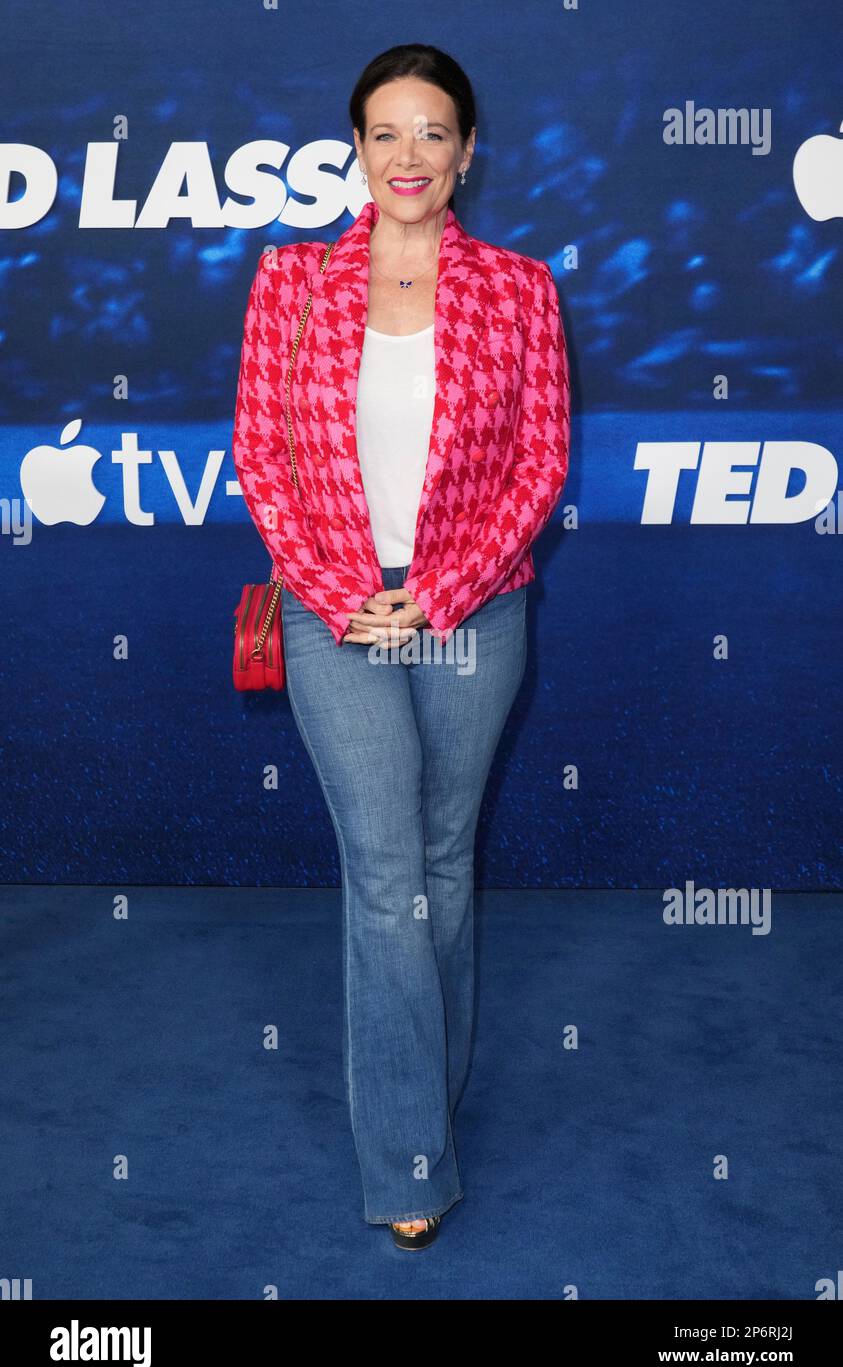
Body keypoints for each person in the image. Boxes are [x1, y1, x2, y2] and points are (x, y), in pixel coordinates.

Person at [232, 42, 570, 1250]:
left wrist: (439, 591)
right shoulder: (292, 285)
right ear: (357, 149)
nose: (409, 155)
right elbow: (261, 459)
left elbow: (540, 467)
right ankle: (410, 1159)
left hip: (470, 609)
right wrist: (341, 592)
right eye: (386, 132)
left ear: (468, 151)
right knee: (384, 877)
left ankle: (429, 1087)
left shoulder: (521, 289)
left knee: (443, 861)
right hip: (335, 612)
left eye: (434, 132)